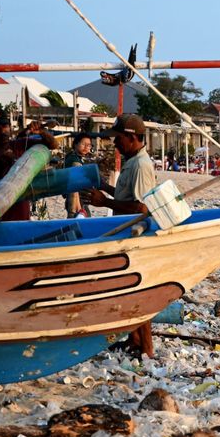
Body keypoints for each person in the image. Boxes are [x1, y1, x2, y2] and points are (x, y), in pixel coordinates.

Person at [89, 114, 156, 357]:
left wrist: (105, 201)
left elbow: (141, 208)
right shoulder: (132, 162)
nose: (114, 144)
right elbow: (126, 195)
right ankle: (134, 340)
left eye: (118, 139)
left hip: (135, 234)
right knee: (129, 289)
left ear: (131, 138)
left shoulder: (140, 165)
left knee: (138, 290)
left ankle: (146, 348)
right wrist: (104, 189)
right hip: (125, 231)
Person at [0, 107, 59, 221]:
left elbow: (53, 145)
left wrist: (41, 131)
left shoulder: (20, 144)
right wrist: (1, 166)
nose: (3, 131)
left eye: (5, 126)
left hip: (22, 215)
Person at [63, 133, 93, 218]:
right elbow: (74, 186)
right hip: (76, 200)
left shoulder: (72, 157)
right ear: (75, 144)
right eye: (83, 144)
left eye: (89, 145)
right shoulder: (75, 161)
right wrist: (76, 206)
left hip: (78, 199)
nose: (86, 147)